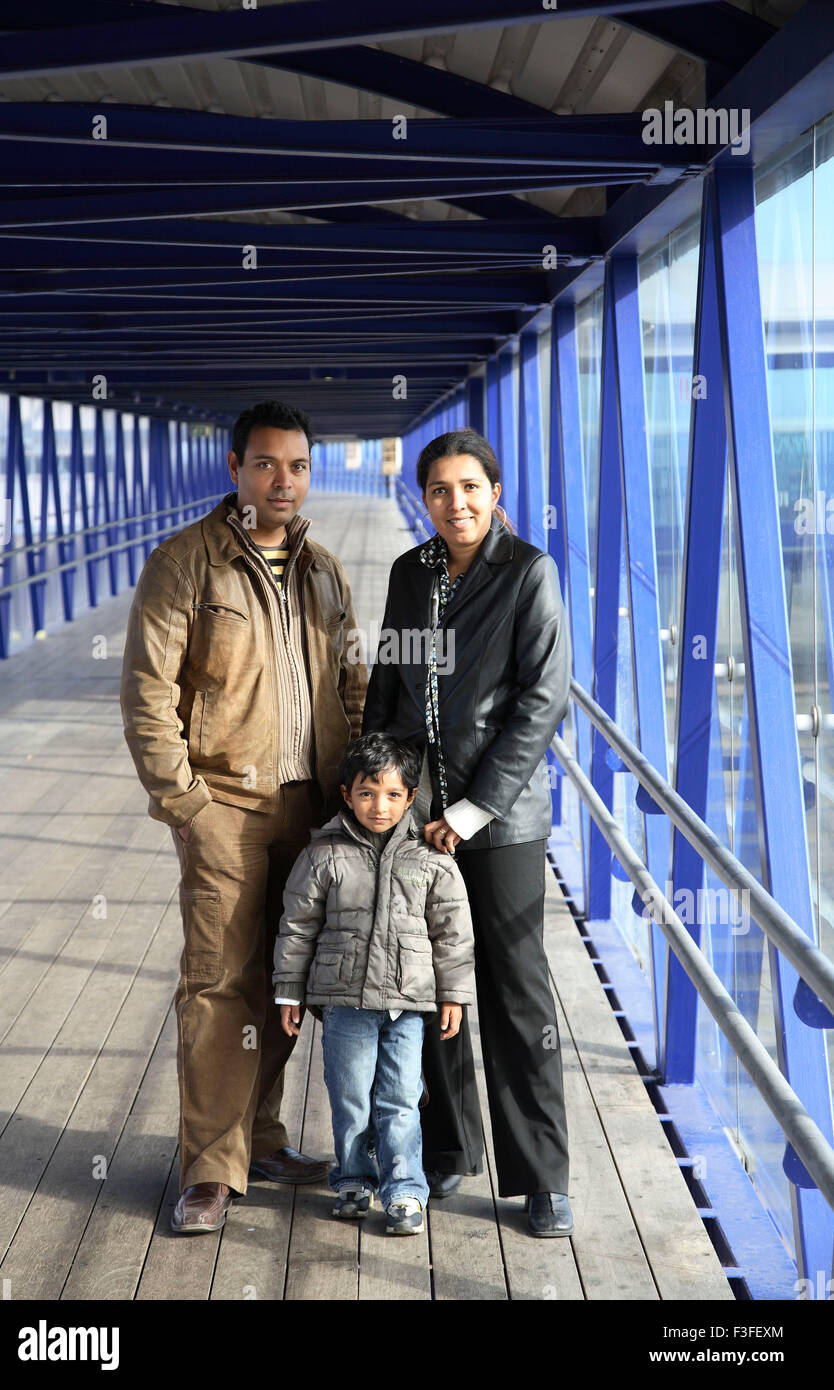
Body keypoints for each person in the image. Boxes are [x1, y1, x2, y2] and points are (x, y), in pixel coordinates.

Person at [120, 399, 367, 1234]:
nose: (284, 481)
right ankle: (209, 1170)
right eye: (267, 464)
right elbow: (147, 695)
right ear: (235, 470)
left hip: (315, 807)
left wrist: (362, 793)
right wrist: (186, 803)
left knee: (285, 979)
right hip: (225, 806)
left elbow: (353, 685)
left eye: (297, 466)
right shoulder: (186, 564)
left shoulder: (324, 571)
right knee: (222, 983)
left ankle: (259, 1139)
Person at [363, 428, 573, 1238]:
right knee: (428, 985)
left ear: (495, 493)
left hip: (501, 822)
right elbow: (389, 685)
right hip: (414, 814)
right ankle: (450, 1147)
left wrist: (471, 809)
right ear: (424, 497)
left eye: (470, 488)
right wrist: (383, 792)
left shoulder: (527, 574)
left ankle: (542, 1177)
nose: (456, 503)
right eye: (440, 489)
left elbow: (540, 701)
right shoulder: (409, 575)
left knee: (517, 995)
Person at [273, 732, 475, 1235]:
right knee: (348, 1095)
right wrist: (288, 989)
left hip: (408, 1003)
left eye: (391, 794)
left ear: (410, 797)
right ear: (347, 795)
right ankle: (353, 1179)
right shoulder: (323, 854)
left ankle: (404, 1190)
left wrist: (453, 994)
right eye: (366, 793)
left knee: (401, 1096)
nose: (378, 806)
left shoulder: (432, 859)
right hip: (344, 1004)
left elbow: (453, 933)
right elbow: (297, 926)